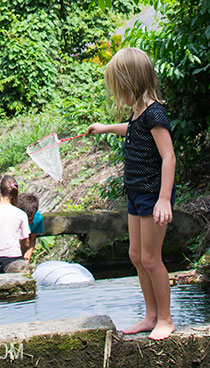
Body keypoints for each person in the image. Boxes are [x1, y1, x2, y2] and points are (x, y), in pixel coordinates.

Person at [87, 47, 176, 340]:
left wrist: (164, 199)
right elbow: (133, 130)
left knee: (152, 258)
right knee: (136, 255)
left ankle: (165, 319)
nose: (117, 93)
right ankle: (151, 316)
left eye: (119, 86)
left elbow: (169, 157)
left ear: (131, 82)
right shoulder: (140, 113)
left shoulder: (155, 112)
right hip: (135, 193)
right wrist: (105, 128)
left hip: (152, 196)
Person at [17, 192, 44, 262]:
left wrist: (27, 256)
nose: (29, 223)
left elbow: (32, 239)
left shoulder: (38, 218)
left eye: (31, 220)